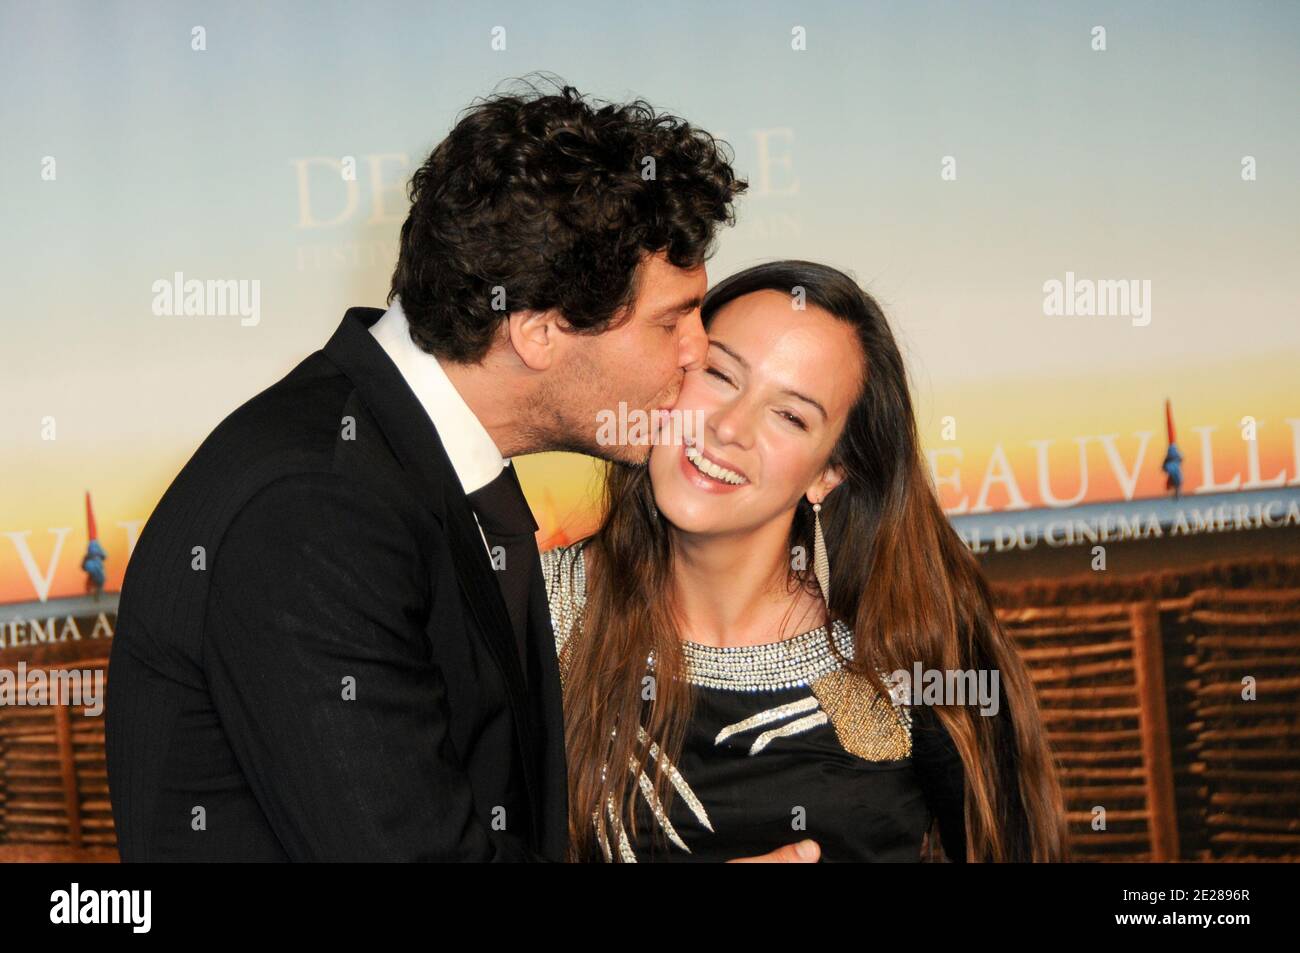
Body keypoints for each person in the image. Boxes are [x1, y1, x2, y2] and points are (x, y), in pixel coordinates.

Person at [105, 83, 822, 862]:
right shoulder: (316, 510)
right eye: (671, 319)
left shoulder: (411, 465)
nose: (697, 349)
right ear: (539, 331)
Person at [542, 260, 1070, 862]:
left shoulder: (907, 651)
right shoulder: (534, 612)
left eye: (790, 415)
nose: (729, 427)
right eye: (719, 374)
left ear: (828, 472)